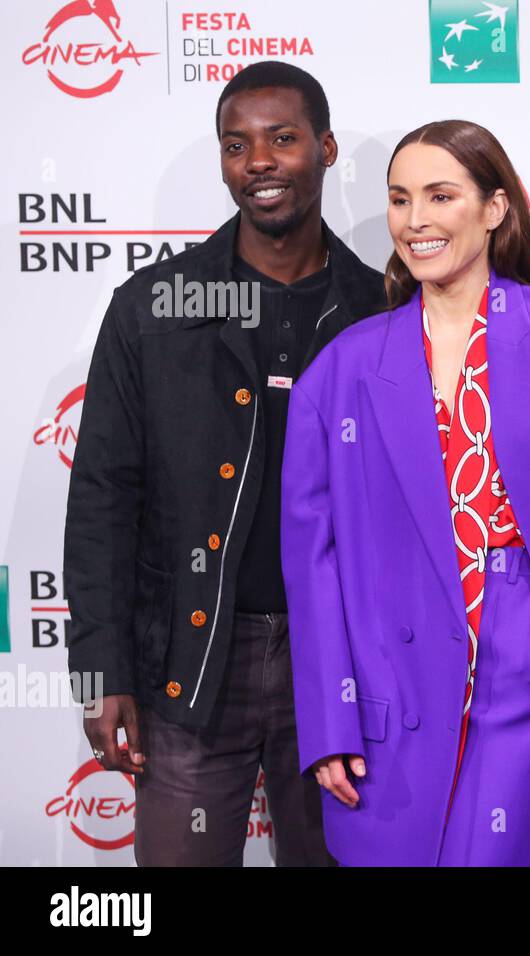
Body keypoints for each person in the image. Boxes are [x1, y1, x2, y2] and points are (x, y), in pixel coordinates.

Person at [281, 119, 530, 866]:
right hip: (387, 693)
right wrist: (329, 721)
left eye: (441, 196)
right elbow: (311, 563)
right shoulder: (343, 367)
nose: (417, 221)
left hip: (517, 671)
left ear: (494, 208)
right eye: (400, 199)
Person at [65, 61, 387, 866]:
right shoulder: (152, 306)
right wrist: (101, 672)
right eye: (237, 145)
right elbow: (102, 495)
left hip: (338, 665)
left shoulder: (380, 308)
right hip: (189, 661)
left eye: (283, 139)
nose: (260, 163)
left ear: (326, 148)